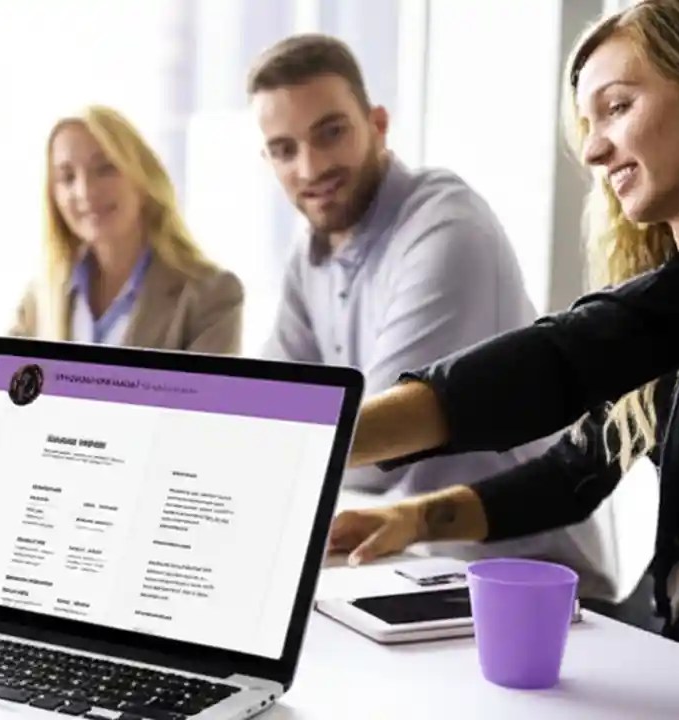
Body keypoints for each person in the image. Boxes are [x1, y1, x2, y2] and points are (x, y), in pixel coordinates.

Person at [330, 0, 679, 641]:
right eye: (588, 124)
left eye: (618, 106)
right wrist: (412, 519)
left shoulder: (650, 319)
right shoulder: (658, 322)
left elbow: (557, 362)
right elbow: (572, 473)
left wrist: (312, 440)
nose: (594, 149)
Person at [247, 34, 613, 596]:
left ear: (378, 124)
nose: (310, 166)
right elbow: (270, 405)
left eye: (331, 133)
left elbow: (375, 448)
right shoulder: (310, 253)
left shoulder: (446, 227)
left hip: (520, 574)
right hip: (392, 559)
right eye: (283, 149)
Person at [9, 105, 244, 354]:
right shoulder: (39, 297)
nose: (85, 191)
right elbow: (2, 378)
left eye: (104, 169)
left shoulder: (211, 296)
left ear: (142, 178)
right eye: (67, 177)